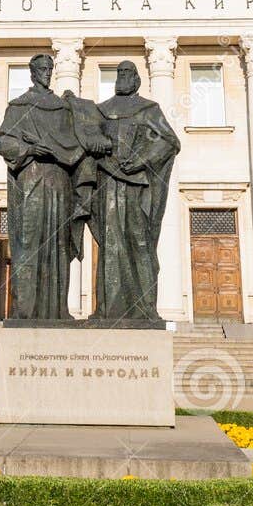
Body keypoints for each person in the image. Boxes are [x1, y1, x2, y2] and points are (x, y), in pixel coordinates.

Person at [0, 52, 109, 321]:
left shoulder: (61, 107)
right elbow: (1, 141)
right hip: (32, 177)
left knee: (58, 243)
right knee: (30, 242)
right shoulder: (20, 106)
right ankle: (27, 311)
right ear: (32, 73)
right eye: (42, 68)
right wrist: (29, 148)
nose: (47, 72)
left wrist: (78, 107)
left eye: (50, 68)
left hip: (60, 181)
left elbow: (80, 136)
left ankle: (58, 310)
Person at [88, 60, 180, 327]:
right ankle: (106, 309)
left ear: (137, 80)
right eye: (119, 73)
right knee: (110, 244)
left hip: (138, 187)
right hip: (108, 185)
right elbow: (88, 138)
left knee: (140, 244)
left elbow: (169, 142)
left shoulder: (149, 109)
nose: (122, 77)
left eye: (128, 73)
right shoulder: (102, 111)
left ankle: (145, 308)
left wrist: (142, 159)